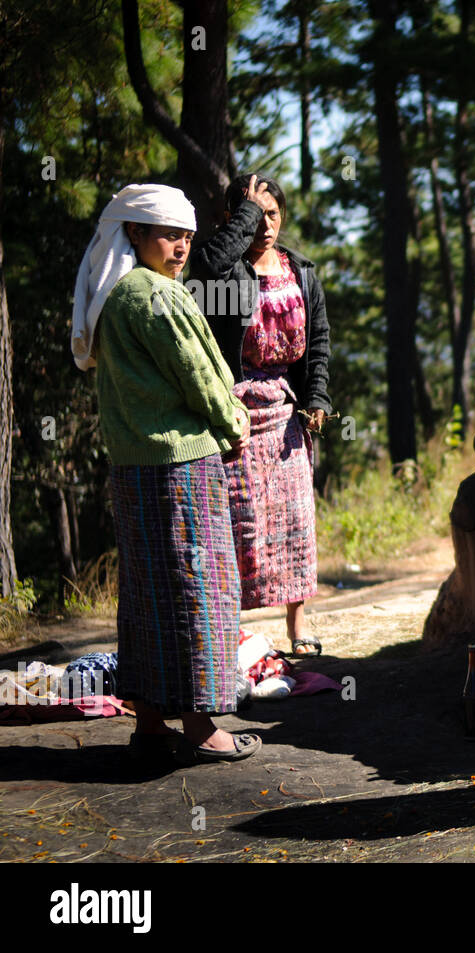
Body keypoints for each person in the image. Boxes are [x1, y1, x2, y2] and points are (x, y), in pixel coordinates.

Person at [72, 183, 261, 764]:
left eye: (186, 236)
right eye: (168, 235)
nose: (180, 247)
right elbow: (199, 376)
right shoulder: (154, 295)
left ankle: (150, 722)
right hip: (181, 467)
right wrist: (234, 423)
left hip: (134, 468)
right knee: (196, 591)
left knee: (149, 594)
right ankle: (201, 726)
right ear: (135, 234)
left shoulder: (113, 297)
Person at [190, 173, 332, 656]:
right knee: (239, 523)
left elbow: (317, 345)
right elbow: (203, 269)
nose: (266, 225)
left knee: (295, 521)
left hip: (286, 413)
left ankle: (297, 624)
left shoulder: (301, 271)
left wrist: (316, 399)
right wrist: (244, 217)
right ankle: (229, 632)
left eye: (273, 214)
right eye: (255, 214)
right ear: (234, 219)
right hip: (235, 413)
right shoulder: (227, 275)